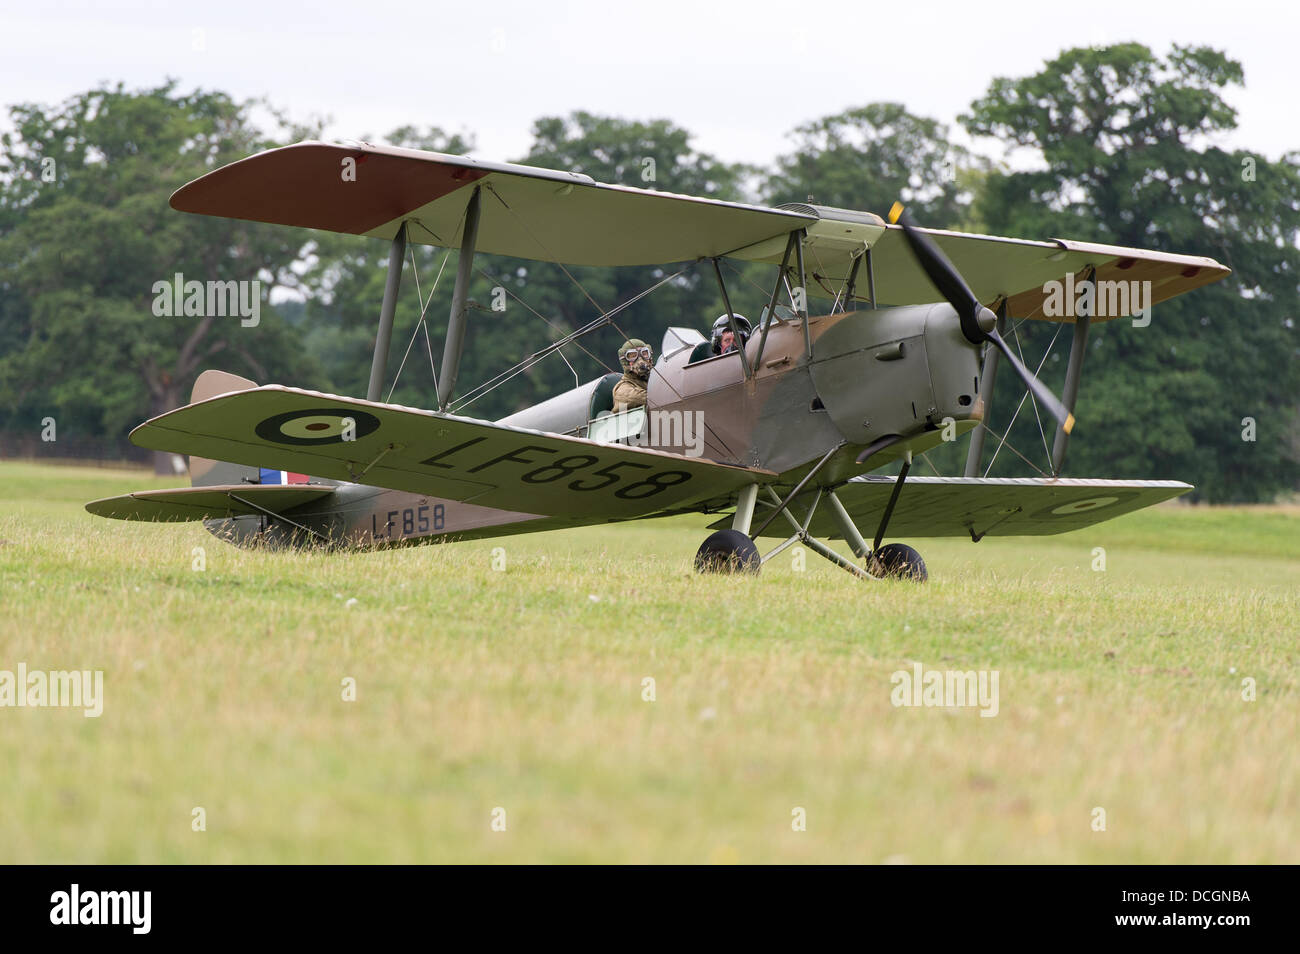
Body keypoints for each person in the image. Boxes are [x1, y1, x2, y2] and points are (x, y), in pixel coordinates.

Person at [612, 338, 652, 412]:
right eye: (633, 356)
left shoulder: (657, 379)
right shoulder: (622, 389)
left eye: (644, 354)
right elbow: (635, 398)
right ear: (625, 361)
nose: (640, 360)